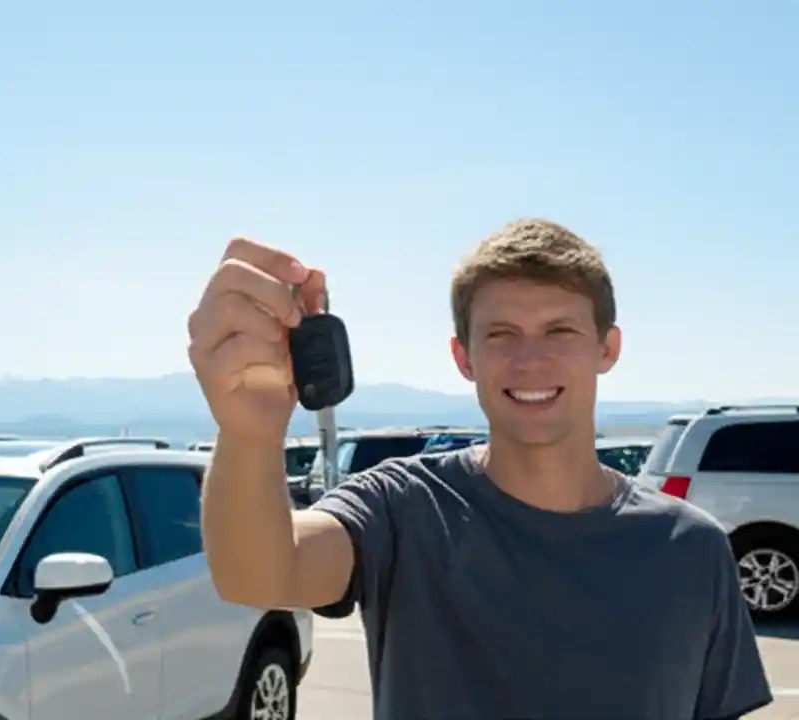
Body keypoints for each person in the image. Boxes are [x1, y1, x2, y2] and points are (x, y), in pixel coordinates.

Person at [187, 219, 773, 718]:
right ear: (464, 356)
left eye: (559, 330)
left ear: (607, 348)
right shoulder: (403, 509)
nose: (530, 360)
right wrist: (249, 433)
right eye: (501, 334)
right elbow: (260, 574)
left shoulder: (691, 549)